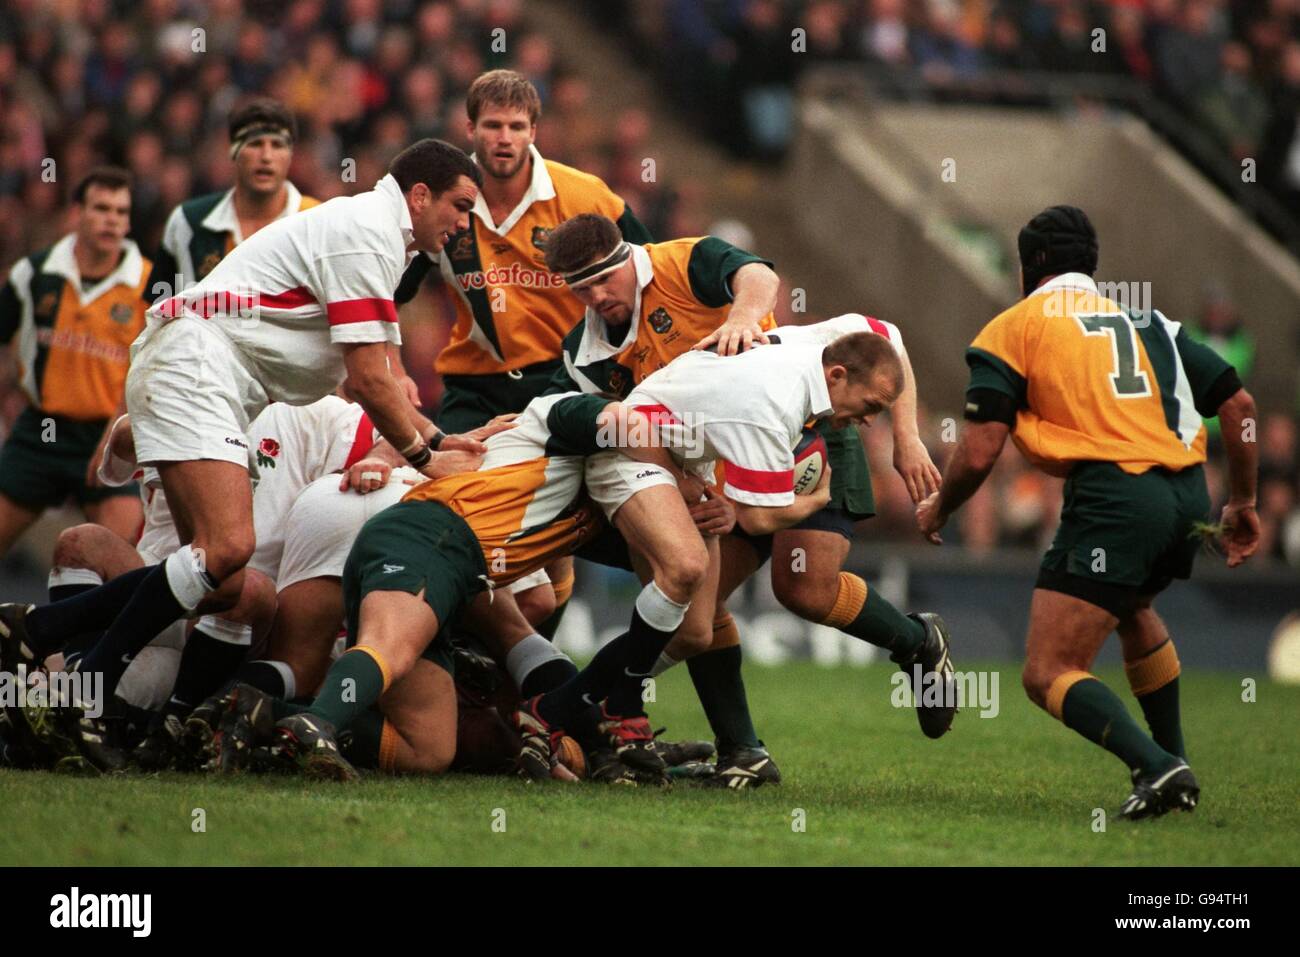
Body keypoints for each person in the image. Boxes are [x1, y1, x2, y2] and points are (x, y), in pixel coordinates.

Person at [0, 139, 487, 757]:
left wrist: (440, 439)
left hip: (200, 370)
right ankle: (66, 661)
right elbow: (369, 380)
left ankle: (62, 675)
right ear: (419, 195)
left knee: (222, 573)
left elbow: (380, 382)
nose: (465, 224)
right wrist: (426, 456)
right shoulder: (369, 233)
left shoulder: (371, 235)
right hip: (198, 365)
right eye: (462, 206)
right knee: (230, 549)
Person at [915, 205, 1260, 820]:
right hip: (1187, 495)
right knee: (1133, 607)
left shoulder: (1015, 327)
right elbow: (1239, 403)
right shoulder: (1153, 322)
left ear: (1030, 267)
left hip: (1115, 496)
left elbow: (980, 448)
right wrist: (1243, 499)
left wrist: (940, 506)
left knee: (1046, 671)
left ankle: (1156, 766)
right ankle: (1173, 766)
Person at [513, 328, 908, 781]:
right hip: (636, 450)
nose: (869, 421)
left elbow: (883, 330)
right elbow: (760, 521)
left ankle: (559, 710)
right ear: (837, 376)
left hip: (686, 459)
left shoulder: (806, 357)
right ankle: (615, 710)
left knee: (695, 632)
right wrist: (817, 500)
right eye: (872, 406)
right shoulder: (776, 403)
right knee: (686, 567)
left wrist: (910, 438)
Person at [394, 69, 653, 635]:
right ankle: (460, 664)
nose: (504, 138)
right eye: (492, 125)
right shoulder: (443, 202)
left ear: (535, 129)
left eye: (516, 126)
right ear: (470, 128)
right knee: (449, 515)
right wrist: (391, 368)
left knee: (559, 530)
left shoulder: (583, 196)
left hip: (562, 384)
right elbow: (386, 292)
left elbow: (648, 271)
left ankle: (532, 689)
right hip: (474, 386)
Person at [0, 166, 149, 558]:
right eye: (101, 208)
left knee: (125, 559)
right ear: (77, 213)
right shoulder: (32, 273)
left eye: (120, 211)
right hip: (39, 432)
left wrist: (118, 433)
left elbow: (153, 371)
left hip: (109, 434)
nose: (111, 220)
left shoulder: (149, 284)